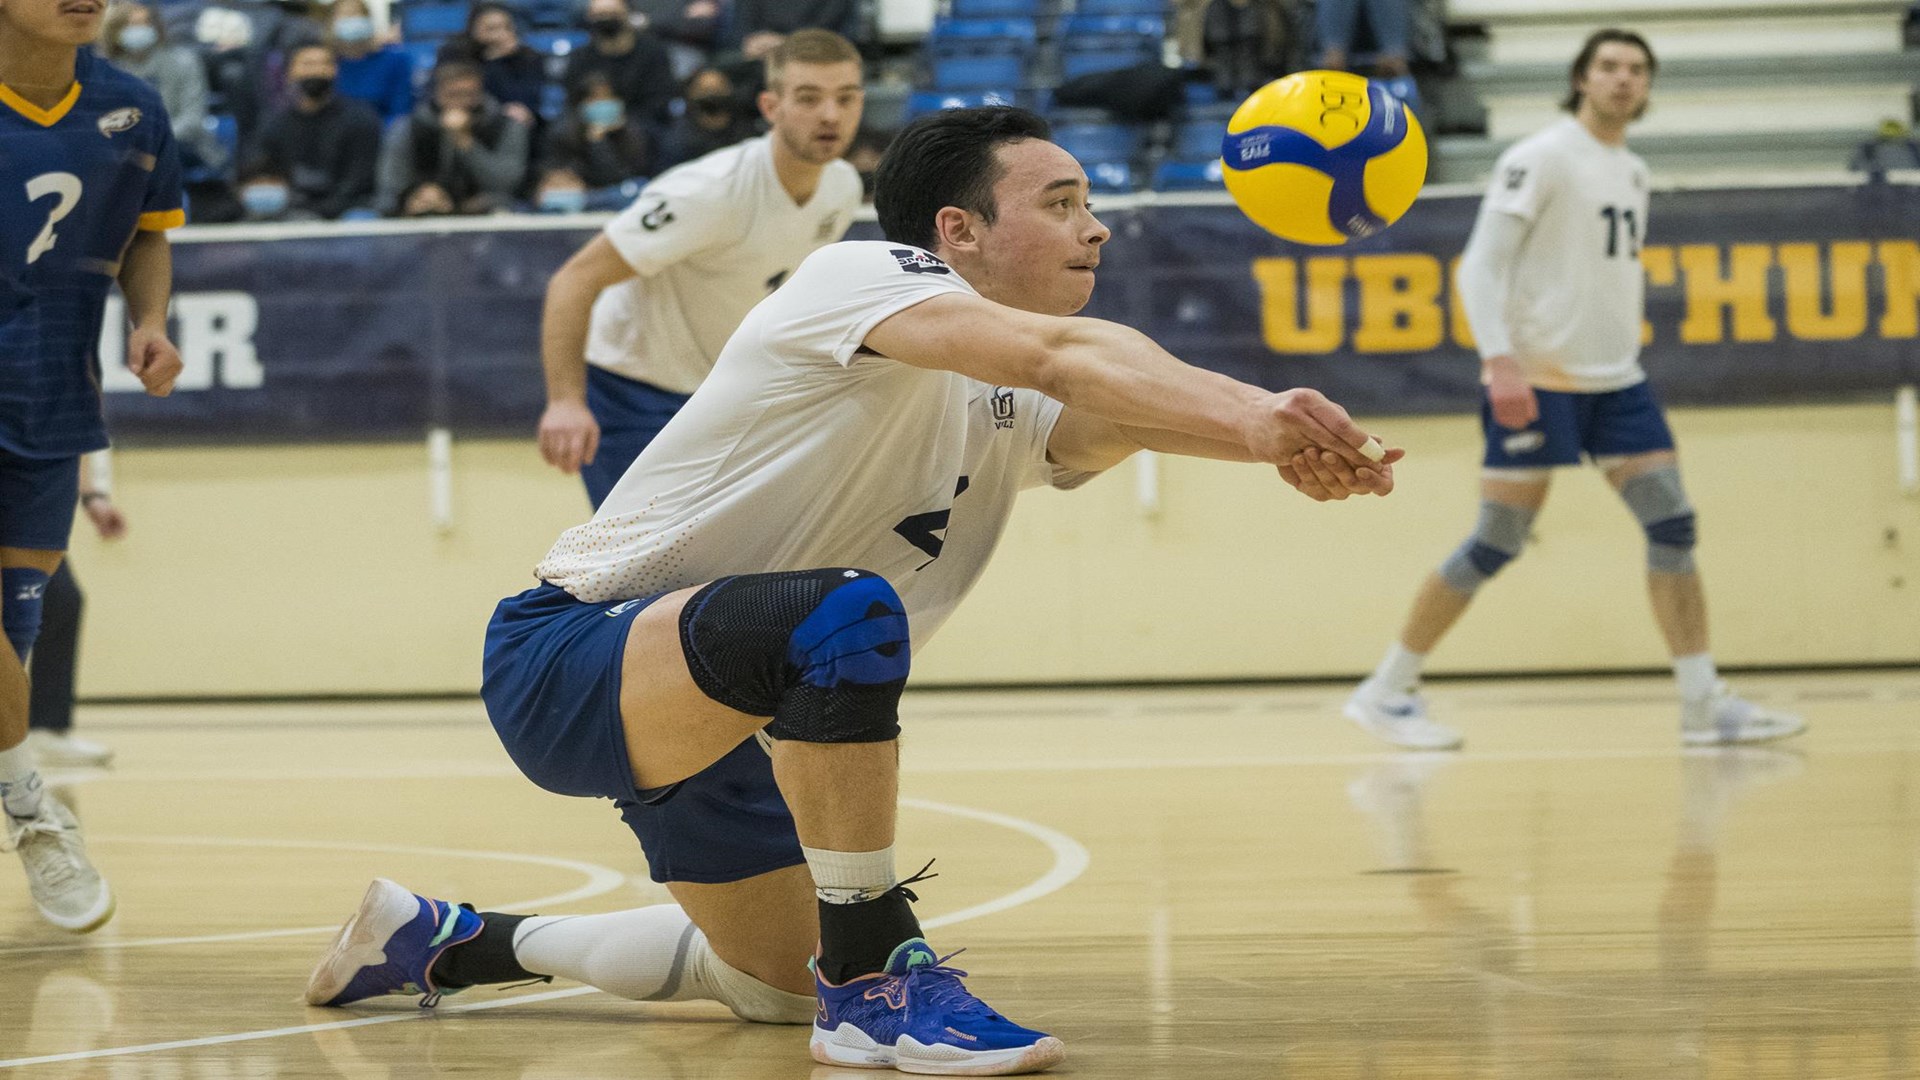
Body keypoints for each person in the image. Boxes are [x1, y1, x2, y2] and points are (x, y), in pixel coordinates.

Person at [304, 104, 1401, 1077]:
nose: (1095, 227)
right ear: (956, 232)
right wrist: (1257, 410)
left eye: (1090, 204)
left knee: (776, 992)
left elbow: (1108, 402)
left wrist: (1275, 445)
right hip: (577, 655)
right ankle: (880, 986)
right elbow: (1068, 356)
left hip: (733, 708)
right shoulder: (855, 278)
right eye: (1061, 203)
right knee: (845, 608)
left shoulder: (1003, 384)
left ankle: (443, 937)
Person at [1344, 29, 1807, 752]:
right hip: (1539, 380)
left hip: (1619, 381)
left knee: (1673, 527)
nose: (1623, 80)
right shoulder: (1542, 157)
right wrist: (1501, 363)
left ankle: (1701, 704)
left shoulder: (1632, 169)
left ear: (1648, 87)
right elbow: (1478, 268)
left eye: (1636, 70)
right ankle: (1387, 690)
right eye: (1609, 67)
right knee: (1497, 543)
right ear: (1581, 79)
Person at [1, 0, 184, 932]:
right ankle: (34, 811)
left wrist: (150, 323)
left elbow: (148, 230)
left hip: (49, 398)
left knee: (14, 636)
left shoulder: (132, 107)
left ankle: (15, 780)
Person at [535, 29, 864, 508]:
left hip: (720, 395)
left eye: (846, 98)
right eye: (809, 99)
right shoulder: (707, 192)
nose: (831, 115)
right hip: (629, 392)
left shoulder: (843, 188)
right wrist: (565, 401)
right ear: (771, 108)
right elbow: (573, 279)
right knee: (641, 570)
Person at [27, 452, 123, 769]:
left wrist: (92, 497)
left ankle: (46, 729)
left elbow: (80, 436)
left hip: (28, 498)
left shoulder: (73, 406)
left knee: (61, 601)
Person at [375, 59, 531, 217]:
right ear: (436, 93)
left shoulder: (506, 126)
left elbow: (507, 183)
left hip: (486, 216)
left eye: (469, 94)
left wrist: (465, 142)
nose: (460, 103)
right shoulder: (408, 127)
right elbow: (390, 187)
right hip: (420, 216)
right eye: (452, 95)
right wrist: (416, 197)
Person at [246, 43, 384, 220]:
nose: (317, 71)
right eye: (308, 64)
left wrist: (317, 212)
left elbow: (359, 183)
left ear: (335, 71)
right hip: (291, 209)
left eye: (325, 64)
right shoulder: (274, 124)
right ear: (289, 73)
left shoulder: (362, 119)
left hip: (348, 208)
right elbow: (264, 173)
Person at [98, 1, 226, 171]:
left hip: (183, 144)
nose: (140, 30)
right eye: (133, 25)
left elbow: (192, 121)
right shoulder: (107, 70)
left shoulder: (183, 61)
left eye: (145, 23)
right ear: (116, 32)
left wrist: (149, 140)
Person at [563, 0, 677, 133]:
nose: (605, 19)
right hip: (590, 125)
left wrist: (623, 122)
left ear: (628, 14)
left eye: (612, 13)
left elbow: (659, 100)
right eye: (599, 15)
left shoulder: (653, 53)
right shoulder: (580, 56)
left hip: (641, 125)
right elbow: (572, 100)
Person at [435, 2, 546, 130]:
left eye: (506, 27)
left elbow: (527, 100)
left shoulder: (528, 57)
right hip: (464, 112)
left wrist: (499, 61)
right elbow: (448, 92)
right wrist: (492, 62)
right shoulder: (453, 52)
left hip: (510, 120)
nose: (500, 35)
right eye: (491, 28)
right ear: (473, 28)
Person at [539, 71, 653, 190]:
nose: (602, 104)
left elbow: (621, 179)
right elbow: (559, 173)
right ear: (580, 104)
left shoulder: (632, 133)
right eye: (594, 98)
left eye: (607, 97)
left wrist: (598, 143)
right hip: (579, 194)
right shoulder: (562, 132)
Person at [653, 65, 756, 170]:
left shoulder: (747, 129)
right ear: (691, 94)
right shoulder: (677, 141)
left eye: (719, 89)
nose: (713, 95)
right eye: (706, 90)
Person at [326, 0, 412, 124]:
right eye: (344, 15)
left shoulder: (396, 60)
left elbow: (400, 114)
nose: (351, 19)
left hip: (383, 135)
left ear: (368, 19)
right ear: (332, 23)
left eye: (356, 14)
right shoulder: (327, 63)